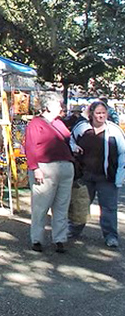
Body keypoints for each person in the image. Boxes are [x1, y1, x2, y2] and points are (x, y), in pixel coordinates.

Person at [23, 93, 74, 253]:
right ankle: (37, 239)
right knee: (40, 206)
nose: (61, 107)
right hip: (45, 167)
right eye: (58, 104)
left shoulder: (59, 123)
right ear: (48, 106)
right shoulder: (35, 124)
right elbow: (30, 147)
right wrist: (34, 168)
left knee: (61, 206)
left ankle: (59, 239)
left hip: (64, 166)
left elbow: (67, 138)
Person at [70, 100, 125, 248]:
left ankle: (111, 236)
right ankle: (73, 231)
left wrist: (120, 176)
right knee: (81, 205)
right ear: (91, 114)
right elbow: (70, 140)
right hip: (86, 175)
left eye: (103, 113)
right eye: (98, 113)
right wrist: (74, 147)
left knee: (108, 208)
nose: (101, 116)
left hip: (107, 177)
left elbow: (123, 153)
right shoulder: (82, 128)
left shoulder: (115, 131)